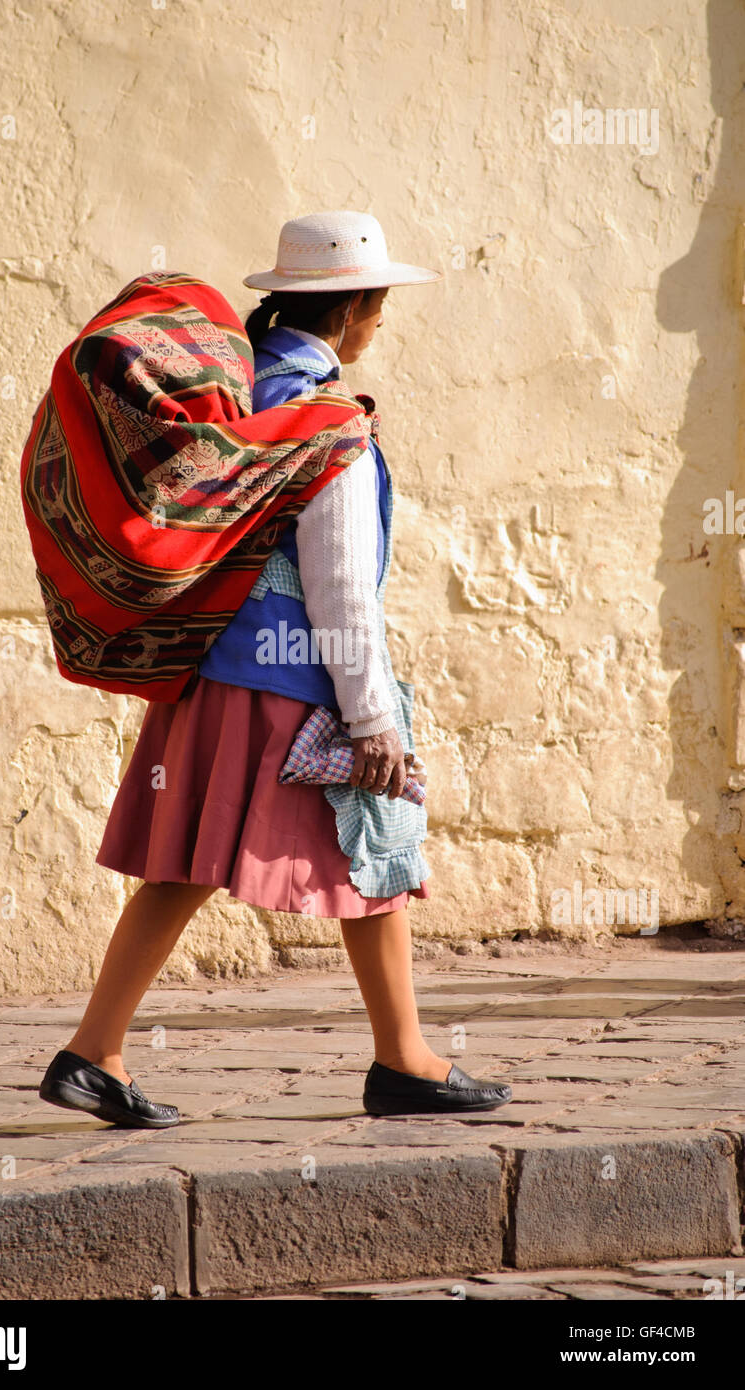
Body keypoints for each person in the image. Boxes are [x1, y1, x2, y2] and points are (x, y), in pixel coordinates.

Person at [38, 212, 513, 1126]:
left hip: (213, 670)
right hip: (290, 686)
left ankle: (94, 1051)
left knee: (187, 862)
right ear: (358, 308)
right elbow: (339, 589)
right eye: (379, 308)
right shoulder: (328, 425)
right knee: (377, 836)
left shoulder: (236, 394)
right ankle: (402, 1061)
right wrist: (373, 718)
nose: (381, 324)